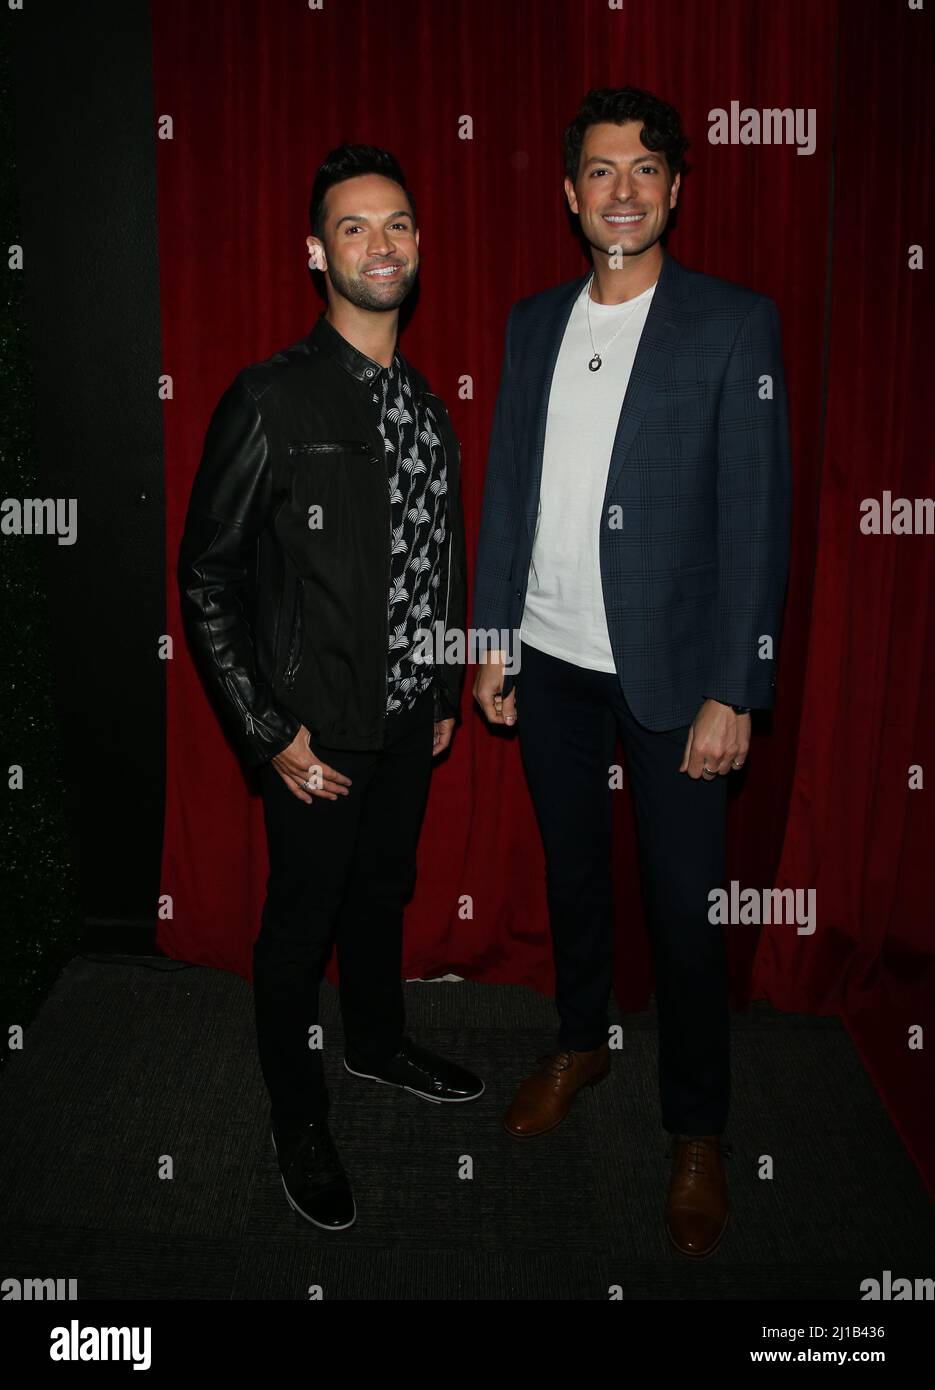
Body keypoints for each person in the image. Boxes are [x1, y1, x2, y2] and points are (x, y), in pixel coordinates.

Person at [471, 87, 791, 1258]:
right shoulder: (527, 322)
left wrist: (734, 686)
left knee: (684, 912)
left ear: (673, 189)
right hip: (548, 658)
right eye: (599, 170)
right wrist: (490, 637)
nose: (620, 189)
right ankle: (579, 1038)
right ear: (568, 193)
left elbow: (758, 523)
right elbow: (505, 486)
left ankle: (695, 1128)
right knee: (570, 874)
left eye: (643, 170)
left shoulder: (731, 323)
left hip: (675, 678)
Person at [178, 145, 482, 1234]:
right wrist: (266, 730)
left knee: (382, 896)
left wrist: (441, 682)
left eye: (396, 223)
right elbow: (205, 575)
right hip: (314, 732)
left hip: (407, 719)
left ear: (417, 245)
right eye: (353, 227)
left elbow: (441, 550)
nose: (379, 243)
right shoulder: (268, 397)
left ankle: (375, 1041)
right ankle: (294, 1116)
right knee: (297, 929)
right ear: (316, 253)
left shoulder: (427, 406)